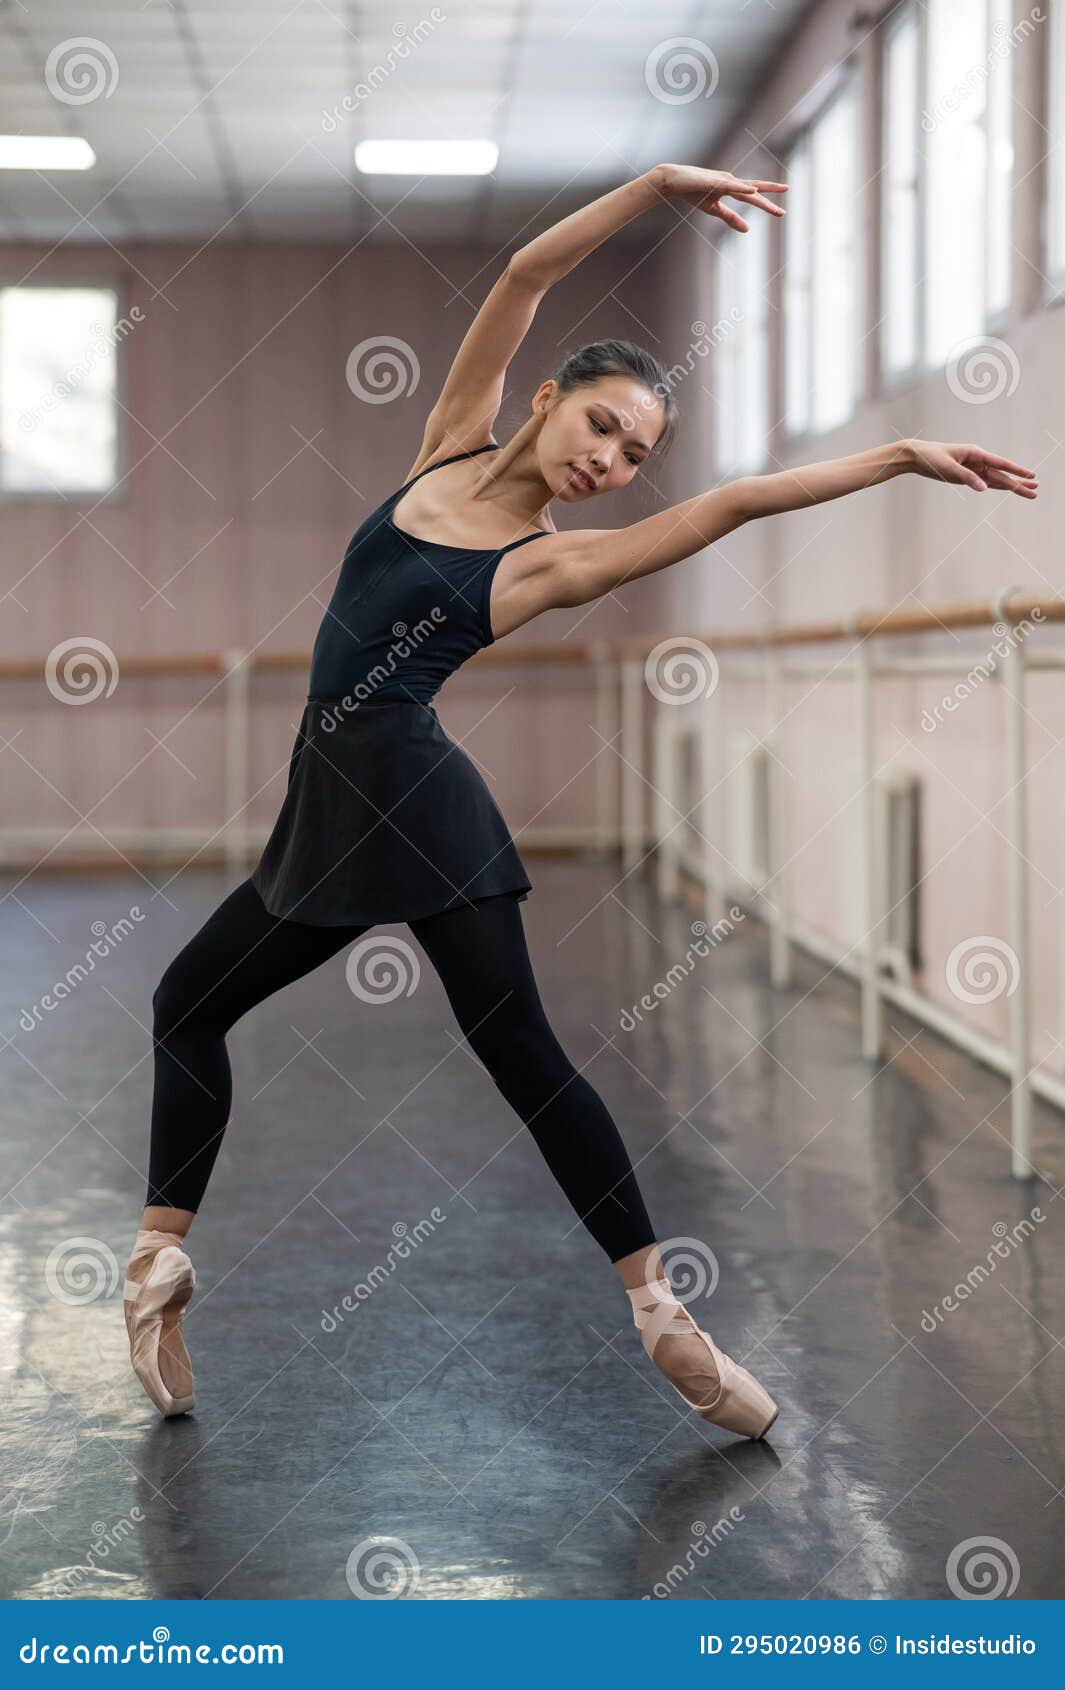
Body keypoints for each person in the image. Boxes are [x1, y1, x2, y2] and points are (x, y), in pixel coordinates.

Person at [124, 161, 1038, 1440]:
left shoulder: (550, 562)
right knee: (188, 1007)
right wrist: (658, 183)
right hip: (332, 811)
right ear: (547, 399)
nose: (611, 459)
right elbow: (525, 274)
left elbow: (734, 502)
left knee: (528, 1062)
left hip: (423, 810)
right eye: (601, 425)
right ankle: (157, 1271)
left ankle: (661, 1309)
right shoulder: (441, 446)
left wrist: (894, 454)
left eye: (634, 453)